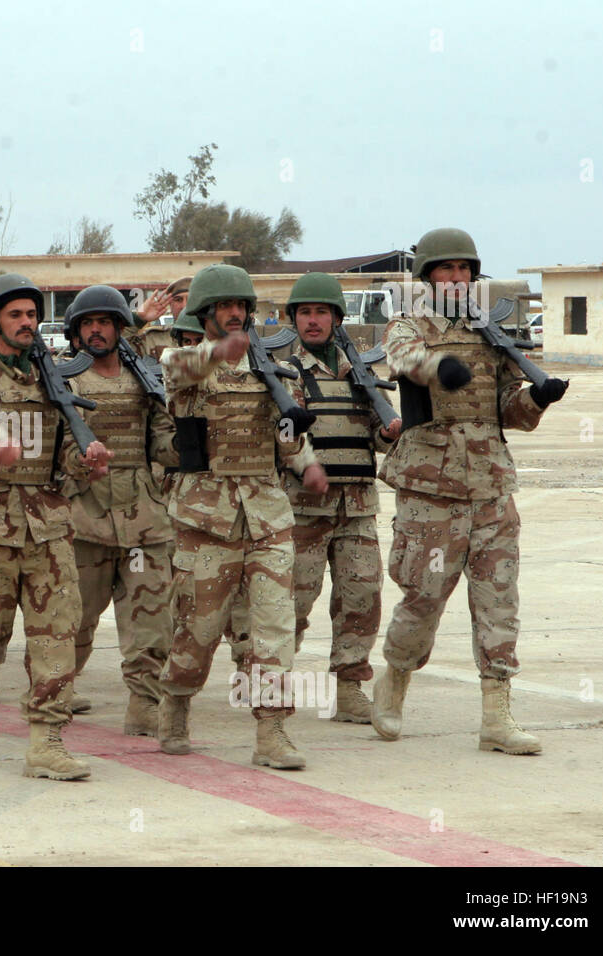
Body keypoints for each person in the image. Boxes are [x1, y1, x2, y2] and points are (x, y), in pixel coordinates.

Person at [374, 227, 568, 754]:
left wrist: (537, 399)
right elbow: (402, 359)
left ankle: (497, 716)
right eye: (446, 270)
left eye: (464, 270)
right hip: (431, 490)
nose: (457, 278)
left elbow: (508, 410)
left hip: (491, 488)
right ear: (428, 277)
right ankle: (393, 681)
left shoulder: (492, 332)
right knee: (424, 598)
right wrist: (441, 366)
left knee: (498, 600)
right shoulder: (409, 324)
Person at [0, 273, 112, 779]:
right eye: (15, 315)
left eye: (32, 315)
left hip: (48, 523)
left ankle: (47, 742)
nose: (26, 323)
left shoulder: (54, 377)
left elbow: (63, 449)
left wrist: (88, 459)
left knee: (57, 634)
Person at [158, 264, 328, 769]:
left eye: (241, 306)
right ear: (205, 313)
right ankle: (176, 701)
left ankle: (272, 730)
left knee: (274, 627)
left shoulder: (274, 370)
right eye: (225, 306)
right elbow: (177, 367)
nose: (235, 314)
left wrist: (308, 463)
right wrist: (218, 353)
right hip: (205, 518)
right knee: (197, 629)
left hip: (268, 516)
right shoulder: (183, 362)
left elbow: (288, 434)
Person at [281, 273, 400, 721]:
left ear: (336, 318)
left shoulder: (360, 374)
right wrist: (303, 464)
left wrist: (391, 431)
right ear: (294, 319)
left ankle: (350, 689)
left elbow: (382, 436)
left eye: (322, 313)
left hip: (357, 508)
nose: (313, 321)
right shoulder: (286, 371)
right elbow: (284, 434)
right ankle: (272, 683)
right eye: (305, 313)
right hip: (303, 509)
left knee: (361, 596)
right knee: (291, 601)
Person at [63, 285, 178, 735]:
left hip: (144, 519)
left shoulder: (144, 379)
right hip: (83, 518)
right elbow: (58, 446)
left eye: (105, 322)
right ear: (76, 331)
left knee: (151, 622)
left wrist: (191, 441)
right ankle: (56, 690)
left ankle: (145, 705)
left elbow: (162, 441)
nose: (96, 330)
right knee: (74, 620)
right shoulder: (65, 380)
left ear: (118, 329)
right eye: (88, 323)